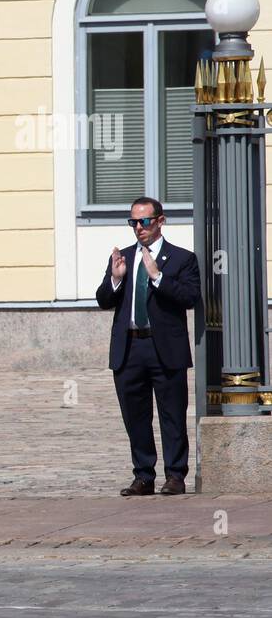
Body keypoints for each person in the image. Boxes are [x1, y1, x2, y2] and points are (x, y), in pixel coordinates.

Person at [95, 197, 201, 496]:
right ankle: (143, 475)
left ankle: (175, 476)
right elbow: (104, 299)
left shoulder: (182, 258)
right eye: (133, 222)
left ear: (160, 221)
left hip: (164, 348)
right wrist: (116, 279)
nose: (138, 228)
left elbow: (190, 297)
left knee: (172, 414)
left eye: (144, 221)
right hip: (130, 348)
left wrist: (157, 276)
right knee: (135, 415)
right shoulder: (123, 257)